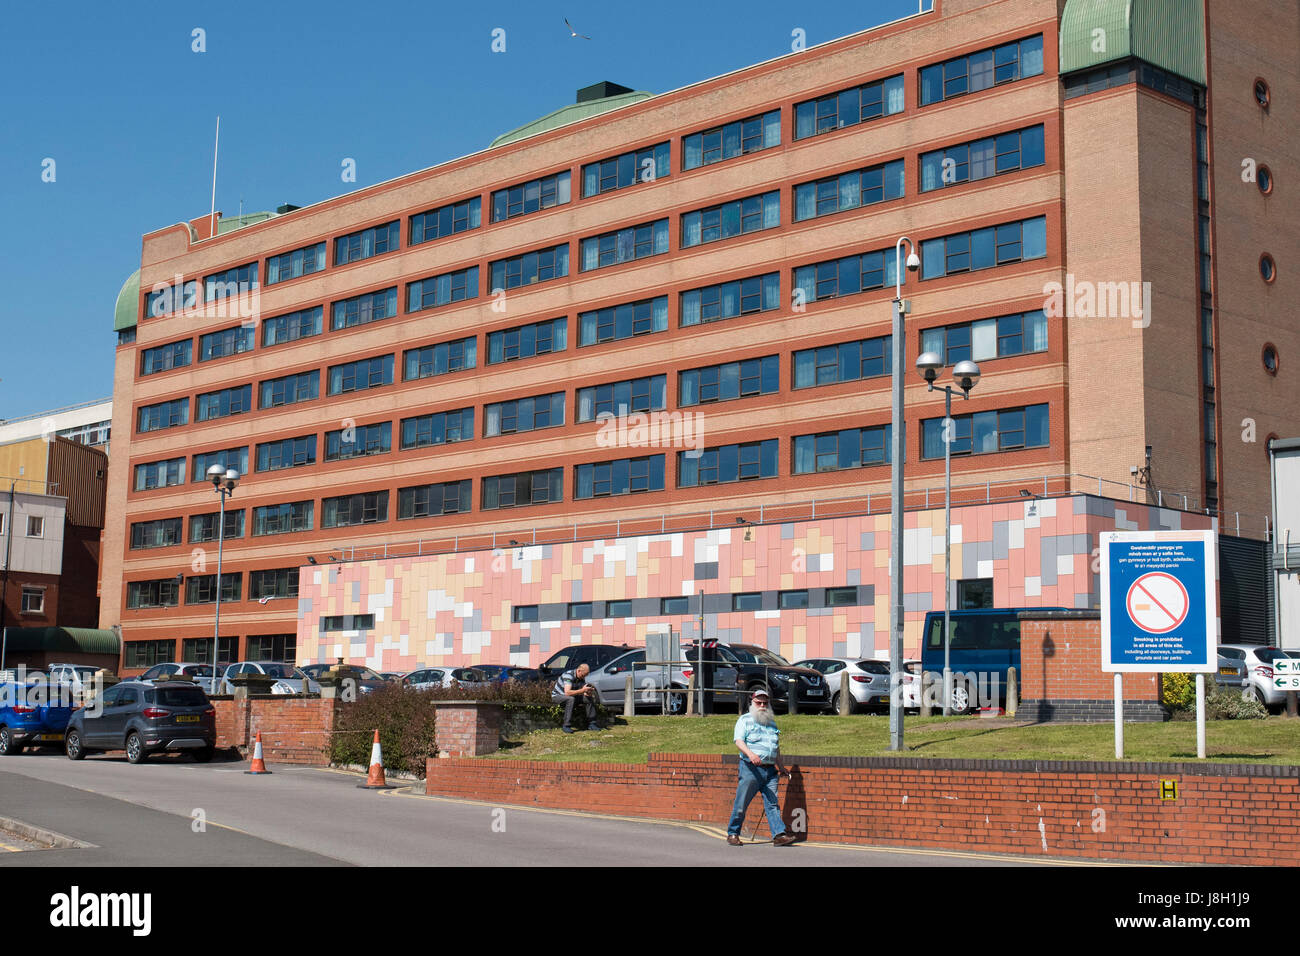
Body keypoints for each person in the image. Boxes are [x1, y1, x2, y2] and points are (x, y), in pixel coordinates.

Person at [726, 689, 795, 846]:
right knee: (742, 803)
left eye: (765, 703)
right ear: (752, 703)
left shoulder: (772, 723)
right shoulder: (744, 720)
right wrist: (751, 755)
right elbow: (738, 741)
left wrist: (781, 766)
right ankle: (733, 833)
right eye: (759, 703)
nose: (762, 706)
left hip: (770, 770)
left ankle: (779, 835)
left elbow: (775, 748)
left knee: (772, 804)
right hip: (751, 768)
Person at [555, 662, 603, 733]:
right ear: (579, 671)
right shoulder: (568, 676)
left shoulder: (581, 677)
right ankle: (566, 726)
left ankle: (592, 724)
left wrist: (588, 692)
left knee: (588, 699)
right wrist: (582, 690)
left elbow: (581, 691)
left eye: (585, 676)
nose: (584, 677)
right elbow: (567, 692)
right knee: (571, 699)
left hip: (572, 696)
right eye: (583, 675)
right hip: (558, 696)